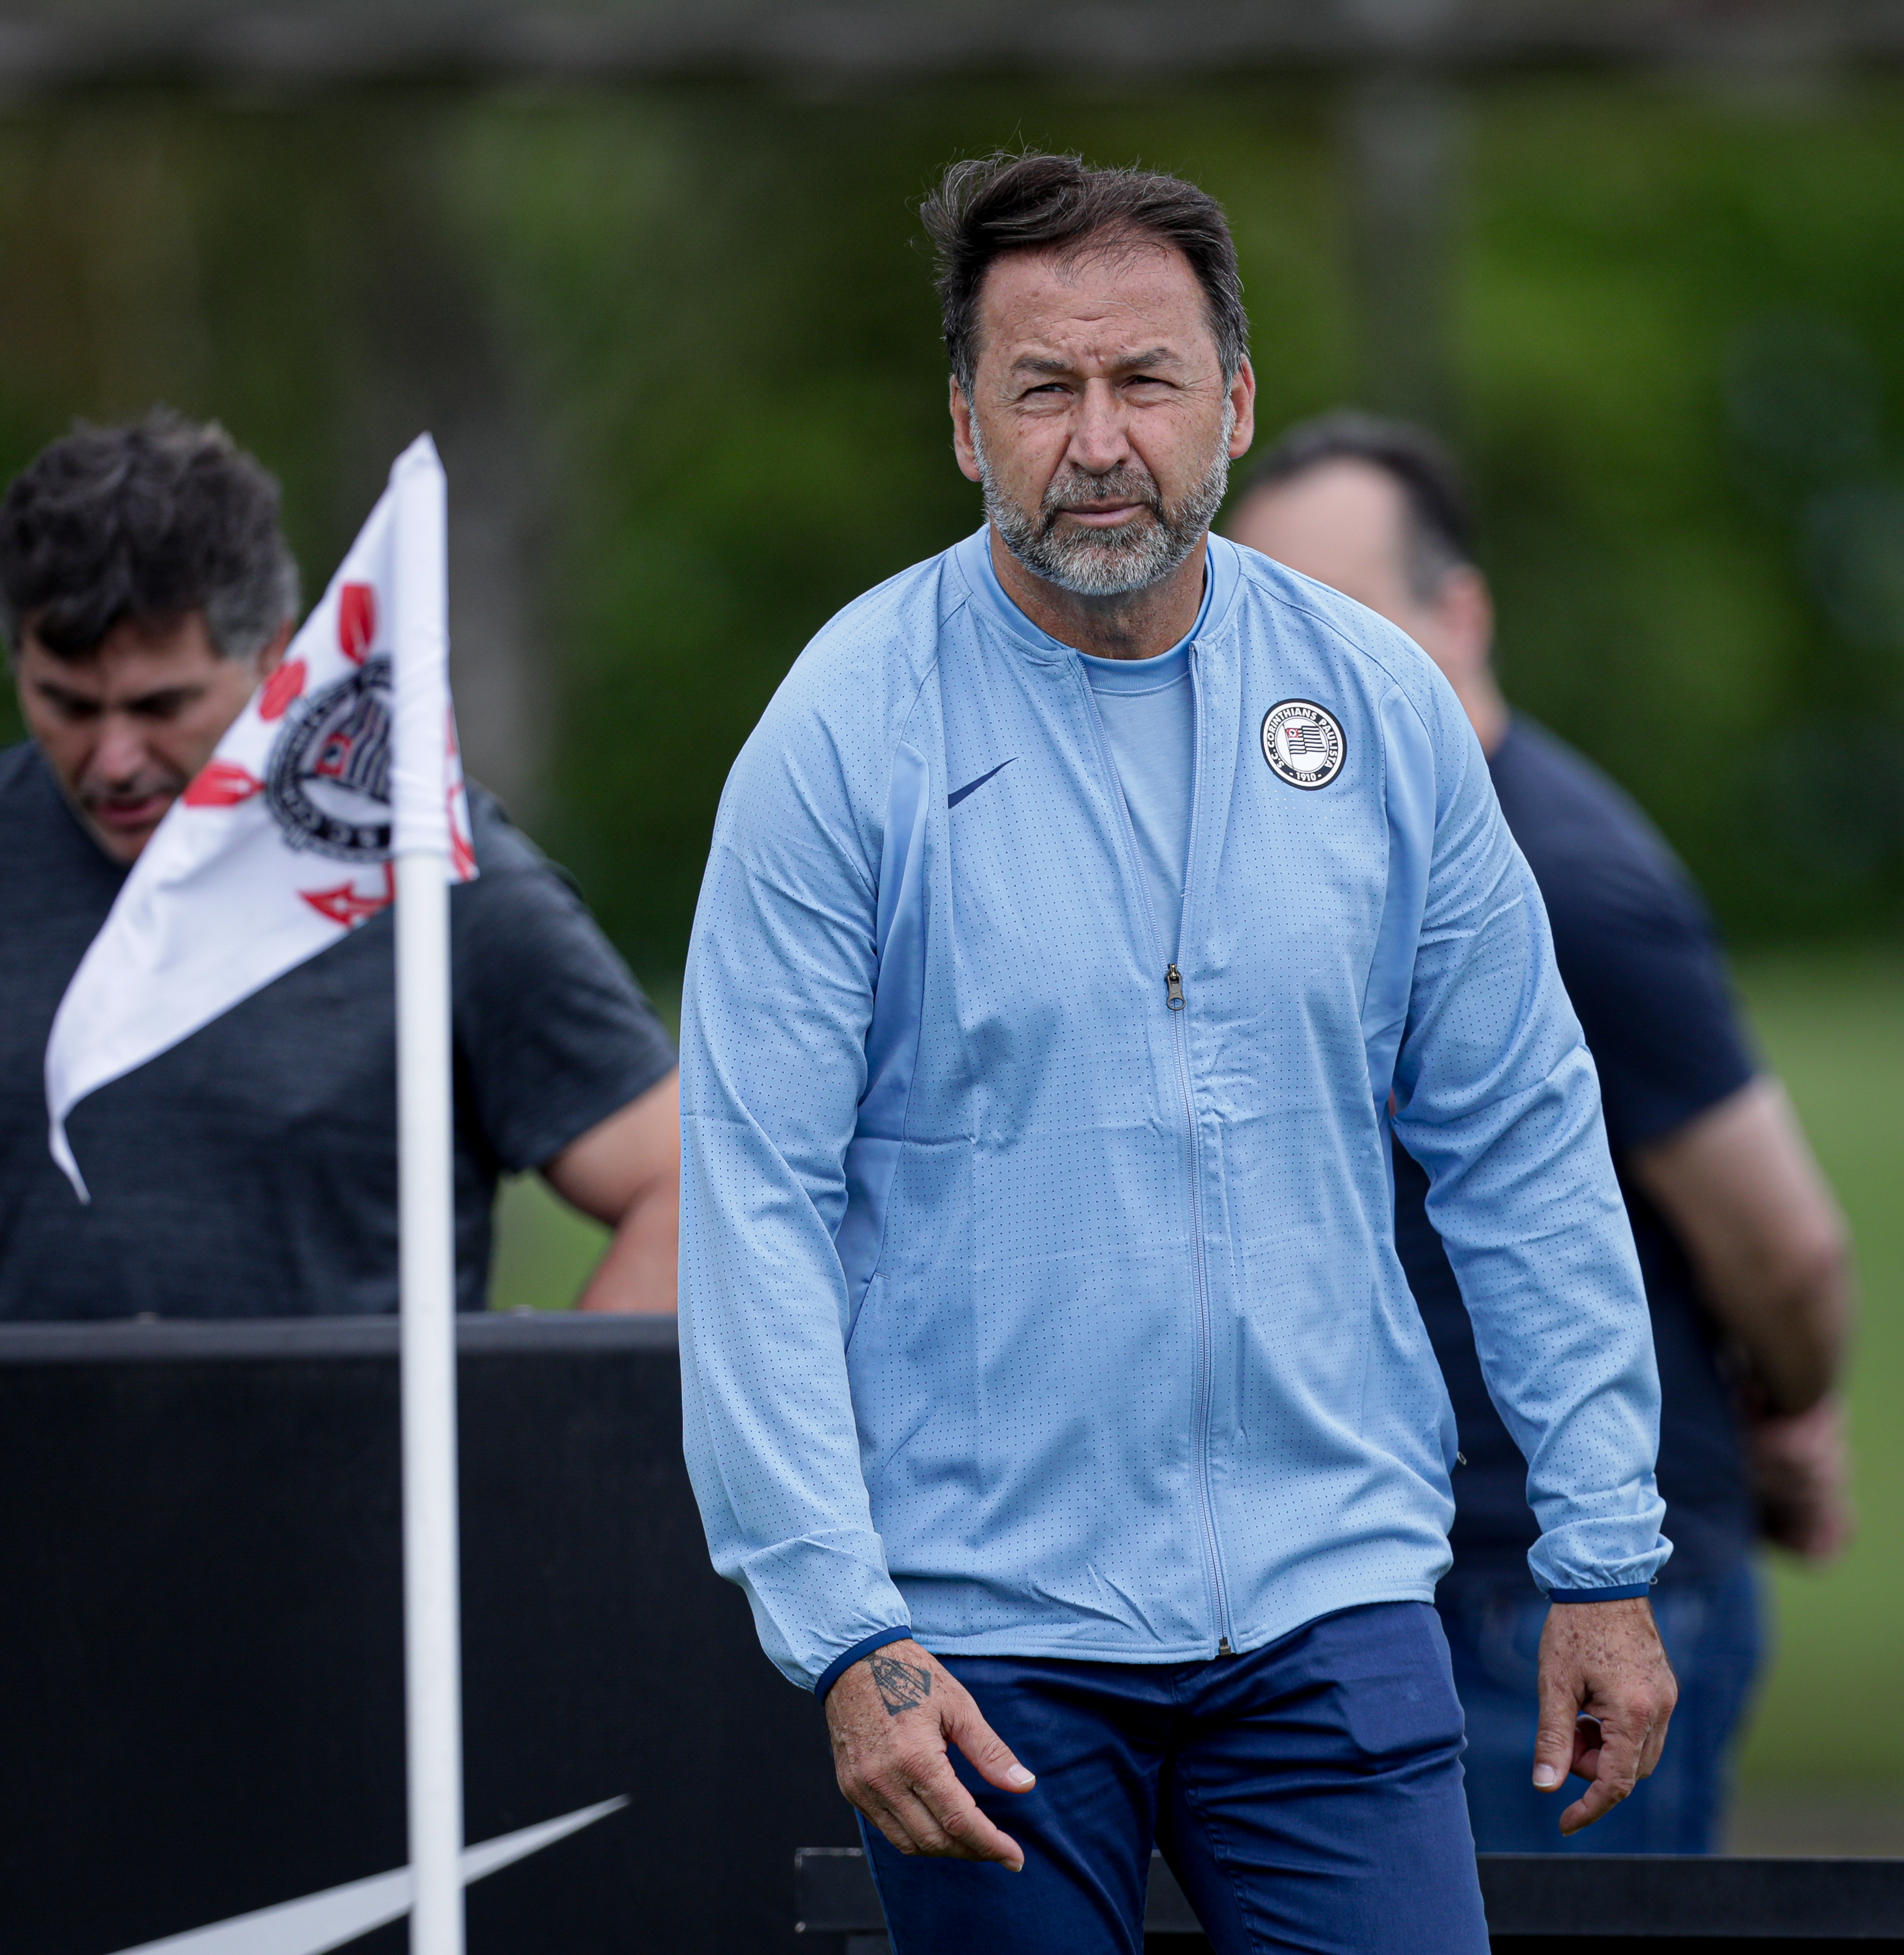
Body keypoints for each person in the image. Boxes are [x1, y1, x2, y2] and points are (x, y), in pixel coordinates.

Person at [678, 152, 1677, 1955]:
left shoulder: (1377, 707)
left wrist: (1598, 1553)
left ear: (1228, 403)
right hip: (977, 1640)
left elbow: (1521, 1137)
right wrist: (841, 1627)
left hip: (1331, 1602)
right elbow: (751, 1196)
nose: (1097, 440)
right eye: (1040, 389)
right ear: (967, 426)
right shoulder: (841, 729)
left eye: (1142, 382)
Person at [1227, 411, 1852, 1854]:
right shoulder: (1324, 839)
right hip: (1387, 1579)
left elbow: (1788, 1251)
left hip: (1542, 1604)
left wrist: (1788, 1412)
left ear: (1462, 611)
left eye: (1352, 613)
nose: (1308, 663)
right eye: (1280, 616)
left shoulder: (1564, 879)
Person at [0, 411, 679, 1318]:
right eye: (68, 706)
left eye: (162, 705)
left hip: (347, 1464)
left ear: (277, 653)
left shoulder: (437, 878)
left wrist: (536, 1446)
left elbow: (684, 1194)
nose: (114, 758)